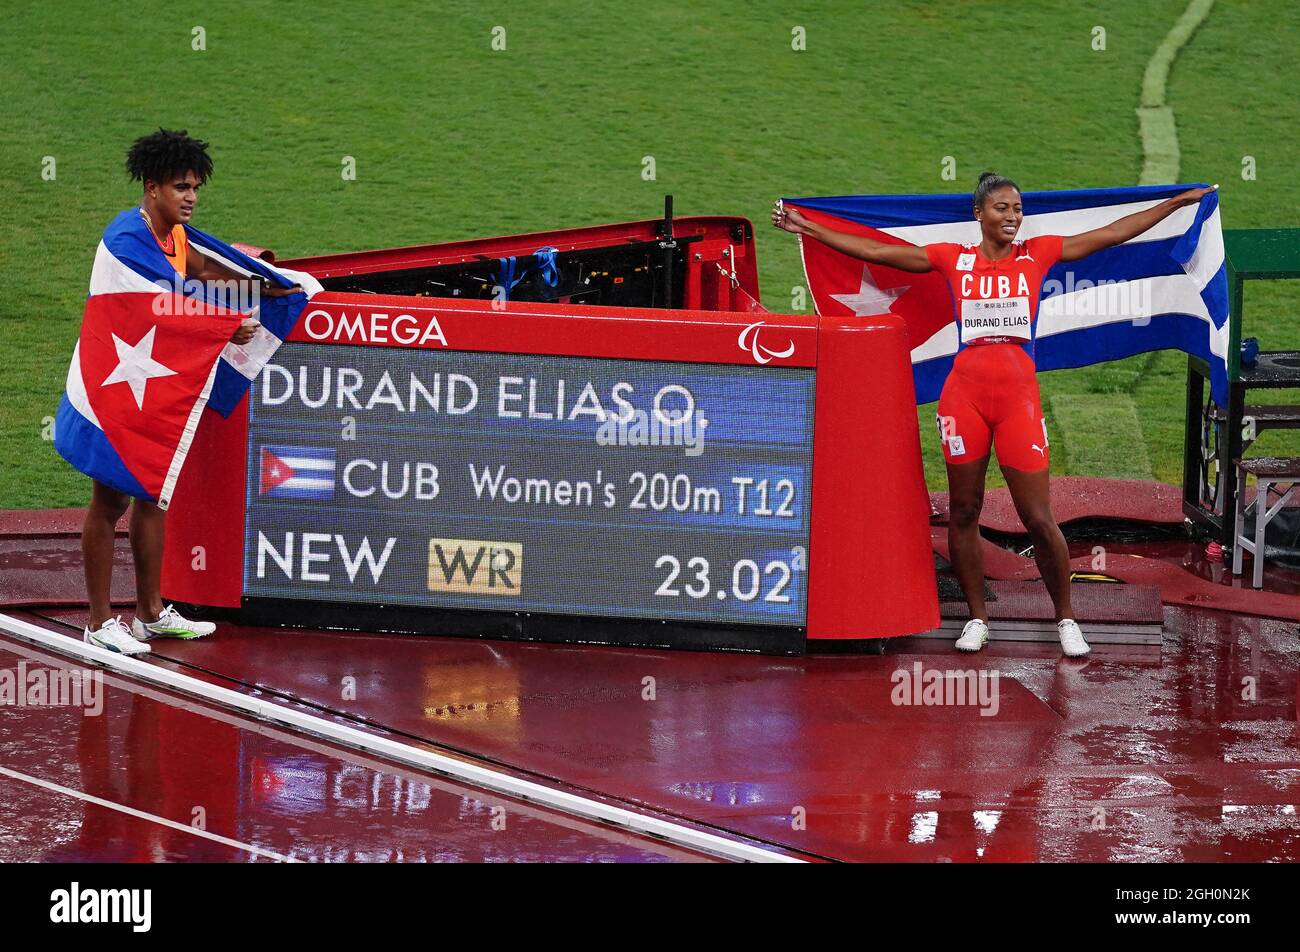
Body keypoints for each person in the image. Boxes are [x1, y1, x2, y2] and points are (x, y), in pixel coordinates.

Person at [772, 173, 1215, 657]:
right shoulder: (952, 258)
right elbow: (879, 255)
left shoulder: (1038, 253)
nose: (1012, 217)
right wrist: (810, 230)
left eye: (1017, 209)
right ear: (979, 214)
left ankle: (1066, 617)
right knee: (964, 511)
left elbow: (1109, 235)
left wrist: (1174, 204)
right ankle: (978, 617)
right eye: (1002, 208)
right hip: (963, 399)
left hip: (1017, 401)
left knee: (1038, 516)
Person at [81, 129, 299, 655]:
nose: (191, 197)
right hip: (119, 385)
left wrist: (259, 285)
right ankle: (98, 623)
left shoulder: (173, 236)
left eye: (196, 187)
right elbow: (158, 304)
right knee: (109, 499)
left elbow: (198, 270)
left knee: (153, 495)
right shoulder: (126, 239)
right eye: (181, 187)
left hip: (156, 380)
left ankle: (150, 614)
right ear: (152, 188)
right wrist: (224, 324)